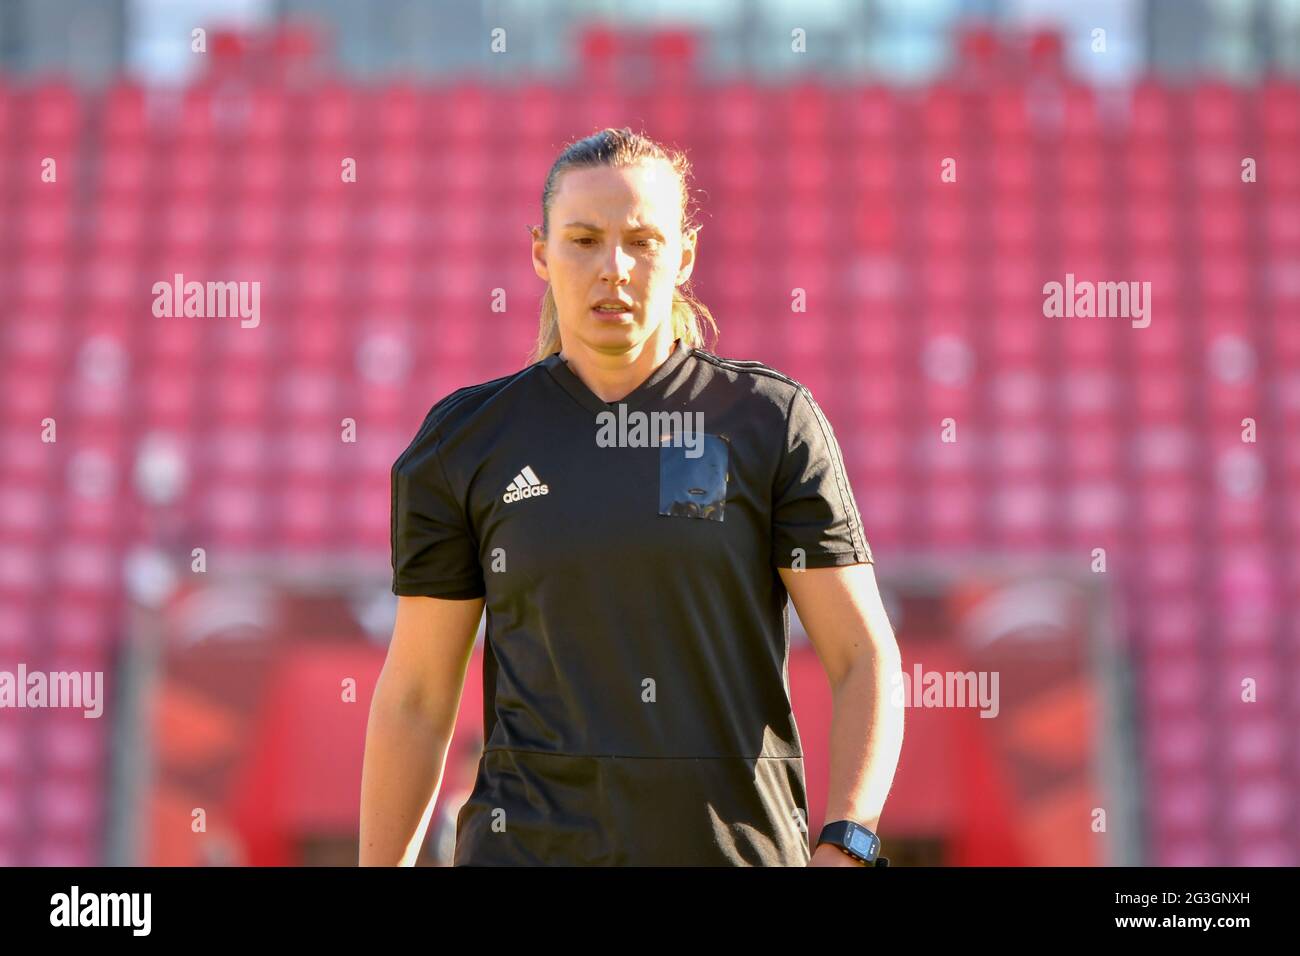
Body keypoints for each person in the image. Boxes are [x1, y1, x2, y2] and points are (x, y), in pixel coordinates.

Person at [360, 127, 903, 866]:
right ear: (540, 252)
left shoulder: (767, 422)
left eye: (641, 240)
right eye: (583, 239)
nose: (612, 268)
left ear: (684, 254)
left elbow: (863, 656)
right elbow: (417, 699)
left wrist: (850, 839)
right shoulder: (466, 441)